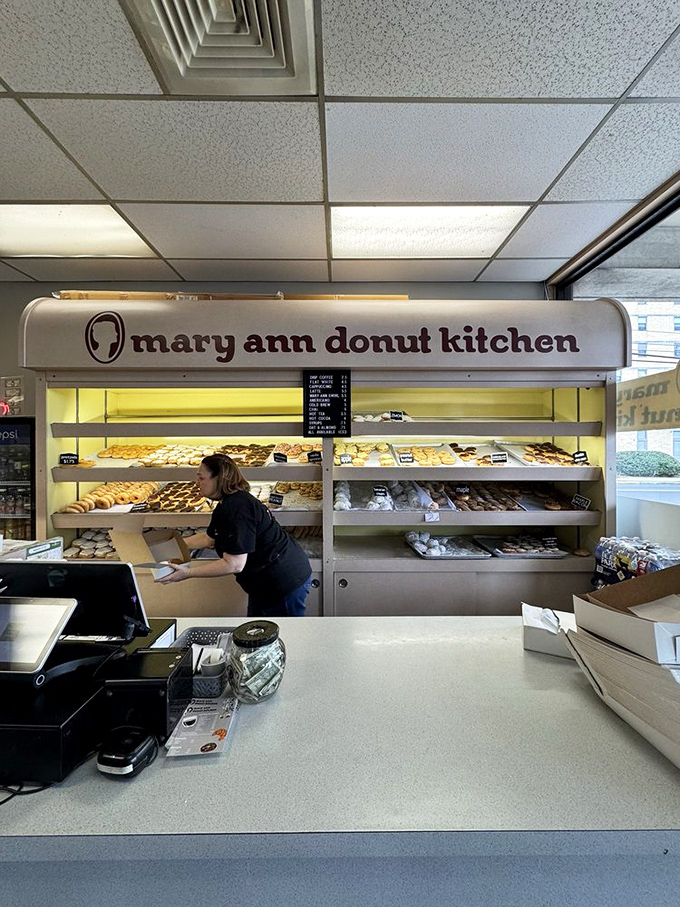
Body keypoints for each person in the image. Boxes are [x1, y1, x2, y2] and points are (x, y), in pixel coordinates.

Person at [157, 454, 312, 617]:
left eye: (201, 478)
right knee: (254, 632)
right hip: (264, 583)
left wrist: (187, 573)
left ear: (219, 479)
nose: (197, 483)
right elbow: (208, 539)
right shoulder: (226, 504)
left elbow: (234, 564)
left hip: (282, 581)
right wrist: (173, 545)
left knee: (281, 635)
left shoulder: (237, 509)